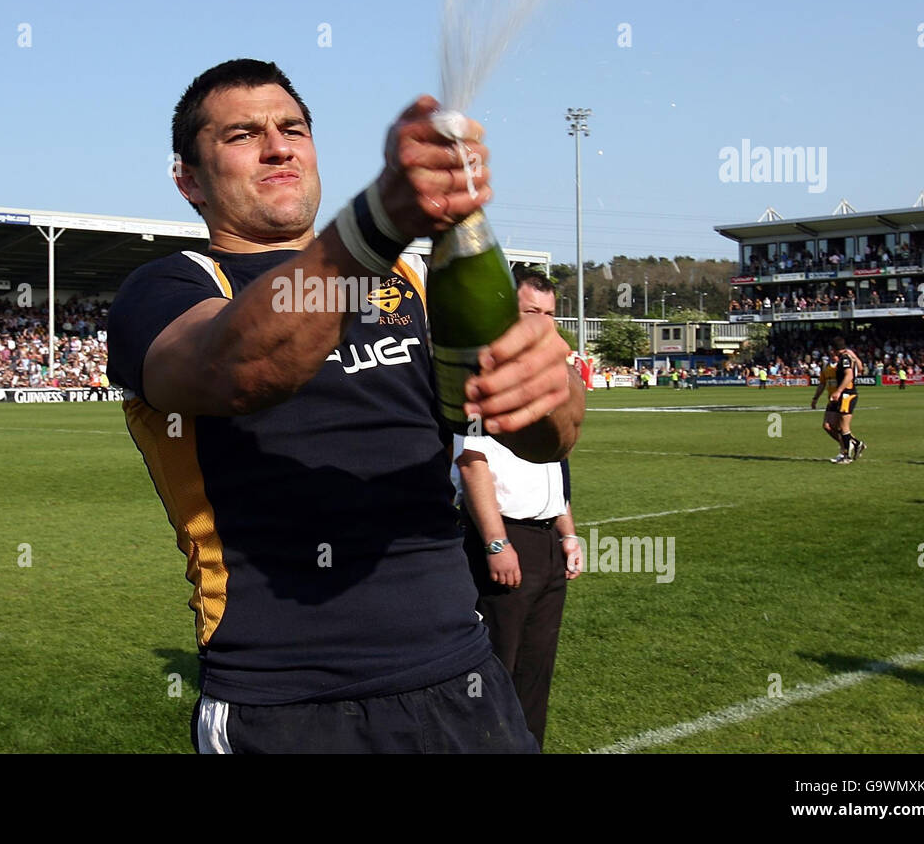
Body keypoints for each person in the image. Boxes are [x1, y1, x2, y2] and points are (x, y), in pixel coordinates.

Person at [105, 59, 584, 754]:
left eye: (293, 128)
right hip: (285, 705)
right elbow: (241, 366)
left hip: (464, 680)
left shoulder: (416, 281)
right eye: (243, 134)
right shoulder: (167, 290)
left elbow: (546, 434)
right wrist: (379, 219)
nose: (278, 146)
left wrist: (551, 389)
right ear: (188, 179)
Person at [453, 269, 582, 751]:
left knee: (536, 670)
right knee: (495, 668)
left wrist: (567, 532)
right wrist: (495, 541)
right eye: (532, 312)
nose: (543, 324)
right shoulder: (480, 372)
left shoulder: (548, 372)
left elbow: (556, 463)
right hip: (506, 537)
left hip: (547, 540)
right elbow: (471, 462)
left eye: (550, 314)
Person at [828, 336, 865, 463]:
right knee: (839, 425)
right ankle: (857, 444)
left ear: (833, 349)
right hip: (847, 393)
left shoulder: (844, 358)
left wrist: (838, 391)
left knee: (844, 427)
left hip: (847, 394)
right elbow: (860, 369)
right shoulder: (849, 356)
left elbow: (849, 375)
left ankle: (847, 456)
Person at [810, 357, 841, 457]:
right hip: (831, 400)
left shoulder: (842, 366)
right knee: (827, 426)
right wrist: (815, 398)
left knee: (842, 428)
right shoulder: (826, 367)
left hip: (842, 399)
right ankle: (851, 444)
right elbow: (822, 384)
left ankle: (845, 449)